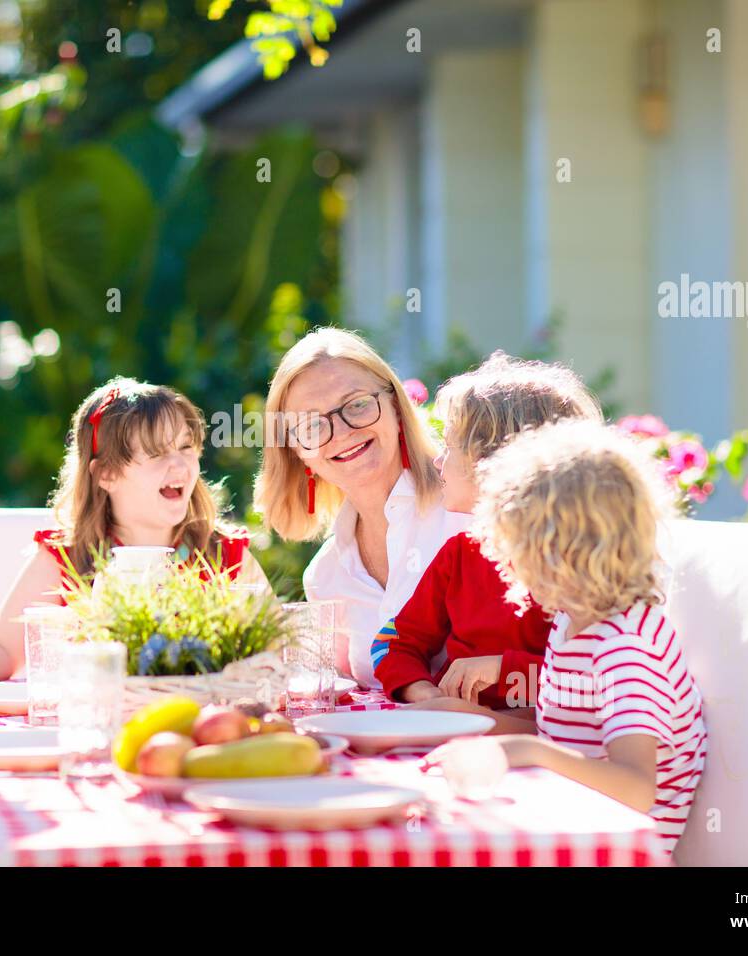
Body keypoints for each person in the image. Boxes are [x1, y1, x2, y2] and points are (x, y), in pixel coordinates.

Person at [428, 420, 707, 854]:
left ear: (565, 555)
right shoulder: (573, 623)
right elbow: (570, 735)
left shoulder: (624, 648)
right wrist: (466, 719)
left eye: (517, 547)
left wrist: (532, 751)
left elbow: (635, 787)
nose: (507, 564)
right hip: (565, 827)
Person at [0, 377, 269, 685]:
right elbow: (1, 648)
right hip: (99, 727)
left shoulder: (225, 556)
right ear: (106, 474)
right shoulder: (68, 559)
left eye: (186, 447)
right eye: (156, 453)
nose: (181, 465)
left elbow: (278, 647)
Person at [374, 352, 602, 708]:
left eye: (449, 447)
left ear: (497, 463)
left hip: (548, 748)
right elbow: (393, 642)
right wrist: (424, 694)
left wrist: (504, 669)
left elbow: (597, 684)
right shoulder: (461, 552)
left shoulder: (586, 564)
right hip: (461, 739)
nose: (438, 461)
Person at [254, 328, 469, 688]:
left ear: (397, 409)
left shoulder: (468, 514)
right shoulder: (324, 577)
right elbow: (343, 696)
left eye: (356, 405)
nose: (340, 432)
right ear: (297, 453)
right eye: (311, 425)